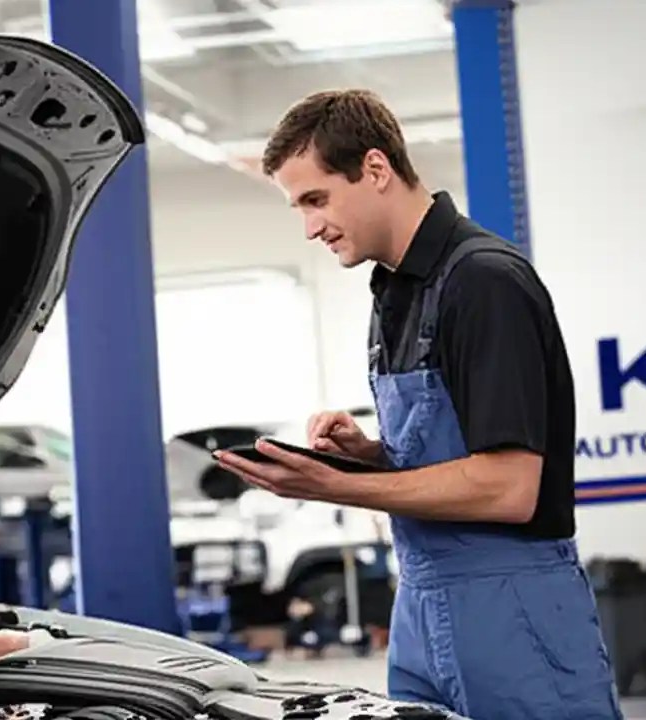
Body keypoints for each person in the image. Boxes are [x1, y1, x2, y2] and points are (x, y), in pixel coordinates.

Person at [213, 89, 622, 719]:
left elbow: (508, 486)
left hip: (512, 611)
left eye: (316, 200)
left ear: (375, 170)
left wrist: (335, 488)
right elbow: (457, 448)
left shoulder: (484, 281)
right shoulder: (396, 291)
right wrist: (370, 456)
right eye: (297, 208)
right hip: (421, 607)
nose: (311, 227)